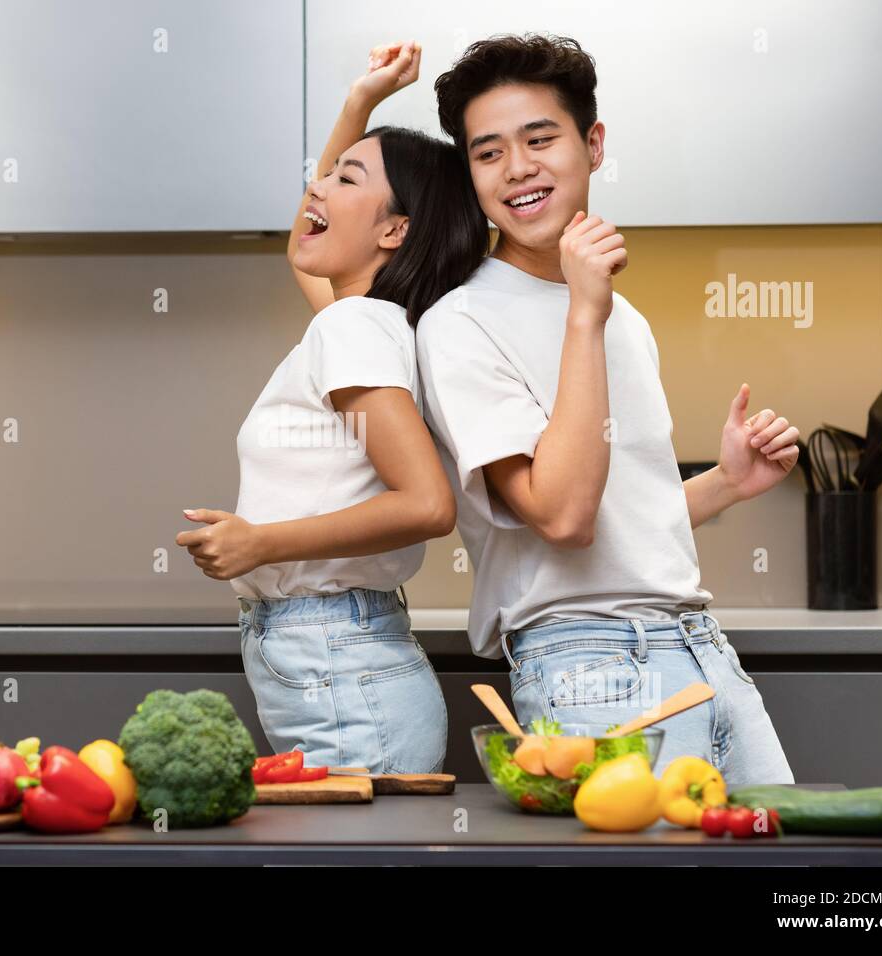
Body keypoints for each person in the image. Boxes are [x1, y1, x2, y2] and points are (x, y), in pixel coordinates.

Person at [416, 33, 797, 783]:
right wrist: (584, 315)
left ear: (592, 145)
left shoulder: (624, 318)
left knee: (797, 880)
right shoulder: (460, 323)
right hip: (586, 665)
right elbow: (562, 516)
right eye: (488, 152)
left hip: (700, 647)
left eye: (540, 139)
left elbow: (618, 518)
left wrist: (724, 482)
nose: (517, 168)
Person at [175, 40, 487, 773]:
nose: (316, 192)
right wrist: (359, 103)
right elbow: (301, 244)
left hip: (336, 663)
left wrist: (260, 543)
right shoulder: (361, 318)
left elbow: (427, 504)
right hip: (332, 658)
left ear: (394, 230)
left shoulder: (354, 327)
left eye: (345, 180)